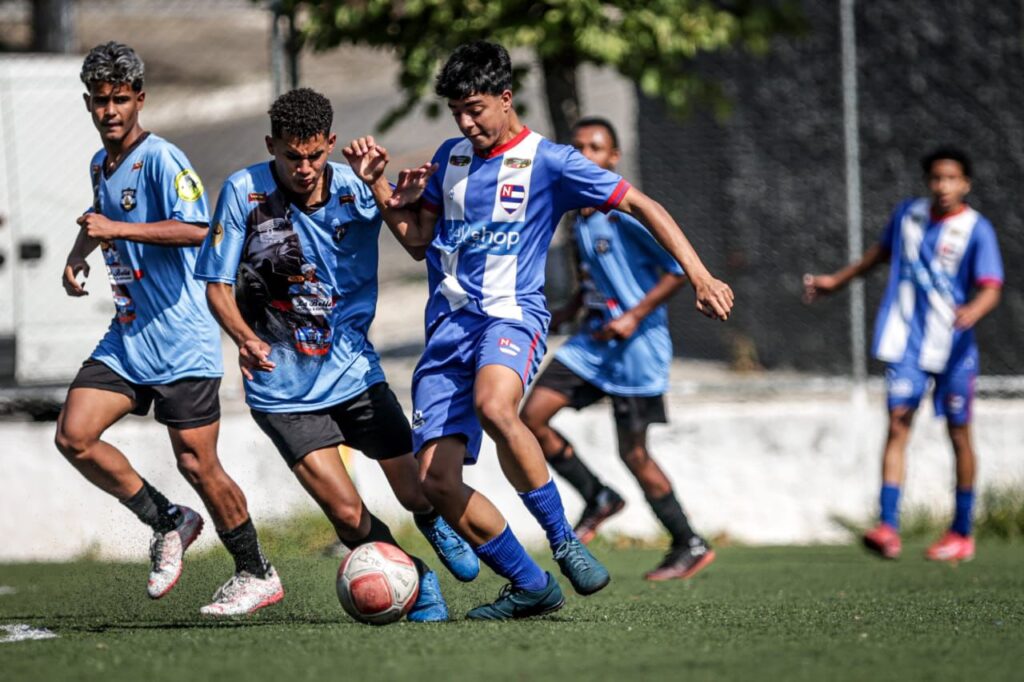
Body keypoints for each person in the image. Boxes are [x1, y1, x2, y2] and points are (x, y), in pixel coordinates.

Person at [343, 41, 733, 620]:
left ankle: (564, 540)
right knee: (437, 483)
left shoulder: (551, 162)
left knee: (499, 408)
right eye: (457, 112)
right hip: (446, 334)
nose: (466, 122)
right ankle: (531, 585)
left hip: (510, 317)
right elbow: (418, 239)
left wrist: (698, 273)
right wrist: (375, 184)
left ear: (506, 98)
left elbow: (643, 205)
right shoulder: (449, 158)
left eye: (475, 108)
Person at [196, 88, 479, 623]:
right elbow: (215, 286)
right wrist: (245, 338)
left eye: (314, 155)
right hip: (282, 390)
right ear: (270, 146)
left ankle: (432, 522)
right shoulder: (243, 191)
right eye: (290, 156)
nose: (304, 168)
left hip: (355, 373)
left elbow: (415, 239)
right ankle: (417, 580)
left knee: (419, 491)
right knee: (348, 516)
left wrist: (401, 195)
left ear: (330, 142)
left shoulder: (357, 185)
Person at [56, 42, 281, 616]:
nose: (111, 111)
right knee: (74, 435)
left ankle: (257, 571)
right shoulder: (99, 163)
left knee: (198, 464)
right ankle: (168, 520)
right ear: (88, 103)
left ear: (140, 100)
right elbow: (102, 216)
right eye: (101, 101)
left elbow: (196, 228)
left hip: (181, 338)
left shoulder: (162, 157)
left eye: (121, 100)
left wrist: (116, 229)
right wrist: (80, 253)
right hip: (129, 338)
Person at [520, 117, 715, 581]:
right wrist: (569, 309)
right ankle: (598, 496)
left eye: (596, 148)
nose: (586, 155)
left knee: (635, 454)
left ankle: (688, 540)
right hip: (593, 345)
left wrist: (633, 314)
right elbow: (600, 279)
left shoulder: (625, 216)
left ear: (613, 159)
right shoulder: (580, 216)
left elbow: (674, 270)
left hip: (636, 350)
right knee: (529, 418)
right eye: (578, 147)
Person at [804, 147, 1003, 562]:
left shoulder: (975, 229)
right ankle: (887, 526)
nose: (943, 186)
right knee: (897, 425)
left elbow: (991, 286)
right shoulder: (907, 216)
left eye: (951, 179)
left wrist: (974, 309)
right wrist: (835, 282)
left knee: (959, 433)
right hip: (907, 343)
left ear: (965, 184)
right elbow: (879, 255)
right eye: (936, 178)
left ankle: (962, 531)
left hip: (954, 348)